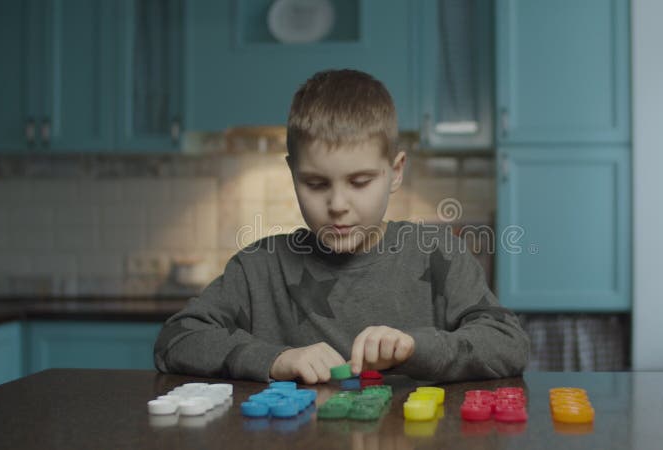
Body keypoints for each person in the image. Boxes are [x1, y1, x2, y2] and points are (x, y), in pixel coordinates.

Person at [154, 69, 529, 384]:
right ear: (293, 174)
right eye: (316, 184)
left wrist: (416, 348)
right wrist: (273, 359)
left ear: (395, 172)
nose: (337, 206)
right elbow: (175, 340)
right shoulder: (258, 267)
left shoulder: (438, 253)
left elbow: (509, 343)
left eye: (360, 182)